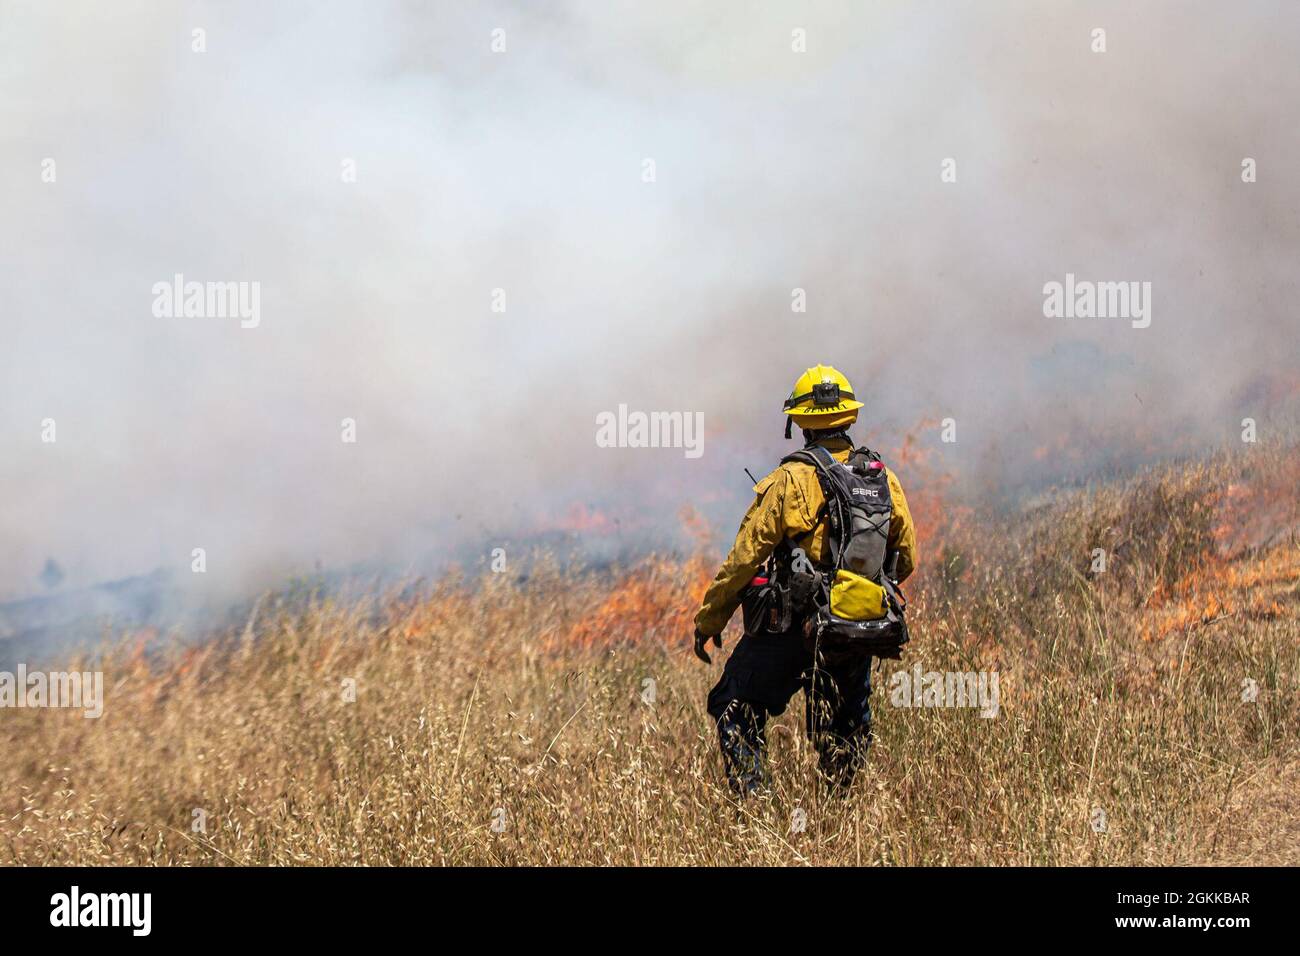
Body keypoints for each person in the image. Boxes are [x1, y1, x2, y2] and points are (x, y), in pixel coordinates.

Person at [692, 365, 917, 794]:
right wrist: (856, 592)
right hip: (855, 625)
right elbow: (905, 557)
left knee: (734, 704)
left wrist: (710, 620)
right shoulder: (882, 478)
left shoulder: (788, 481)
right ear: (850, 417)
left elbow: (743, 561)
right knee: (845, 728)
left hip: (791, 626)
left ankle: (756, 811)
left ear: (798, 422)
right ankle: (839, 816)